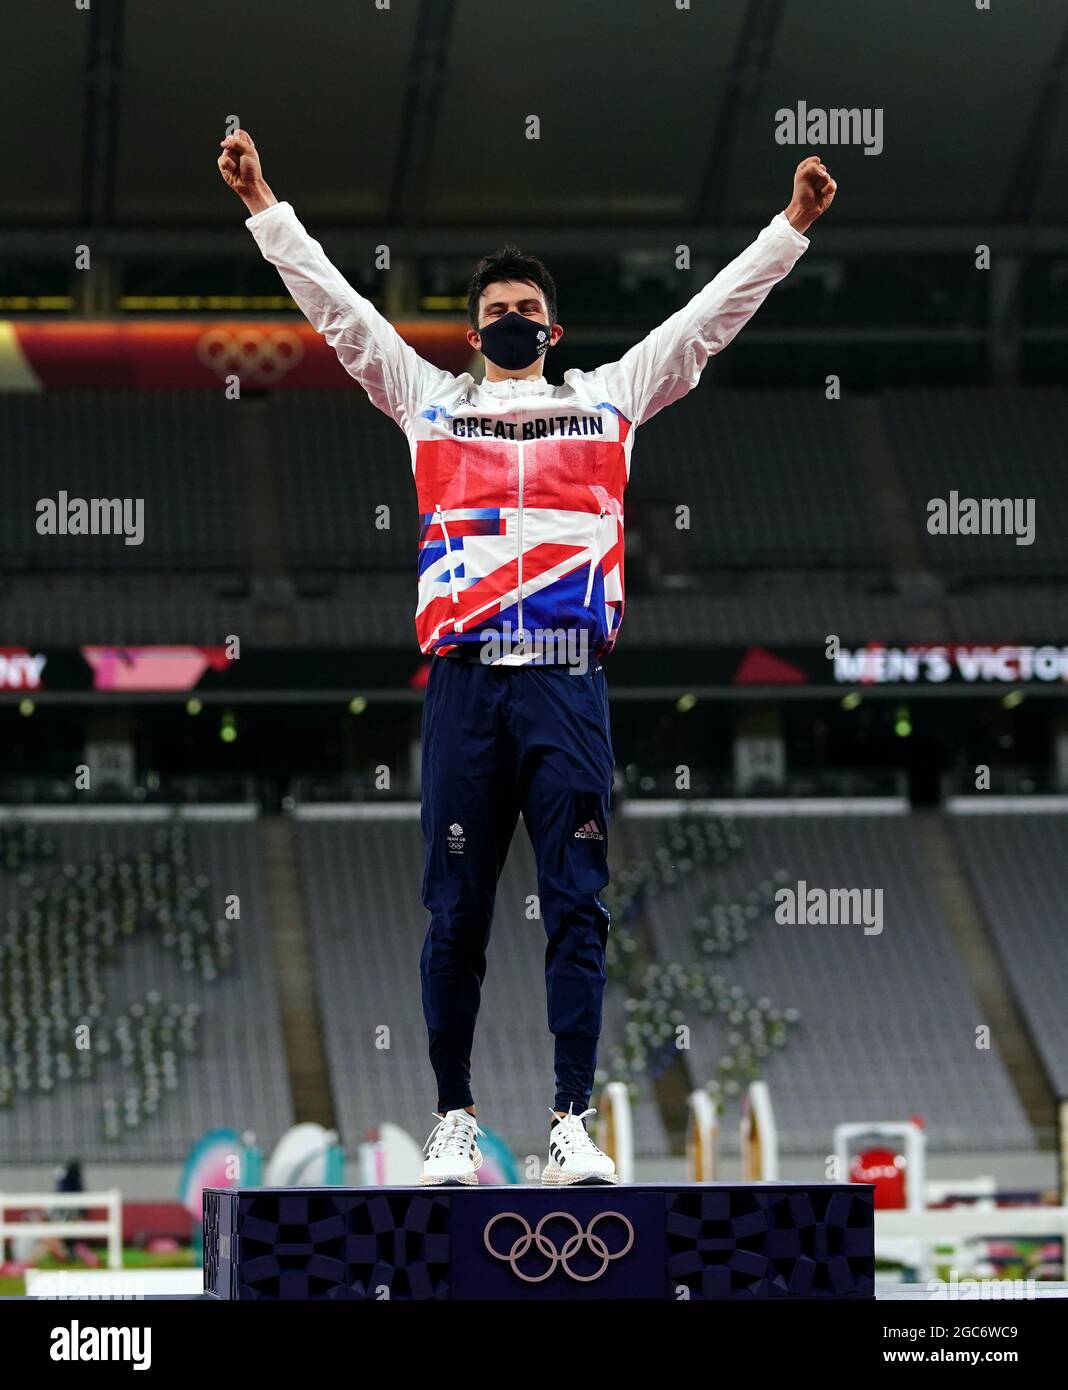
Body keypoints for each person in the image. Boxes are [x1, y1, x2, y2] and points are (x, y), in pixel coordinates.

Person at [219, 131, 835, 1186]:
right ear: (471, 332)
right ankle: (453, 1118)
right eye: (493, 311)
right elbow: (337, 314)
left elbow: (705, 324)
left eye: (525, 309)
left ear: (554, 327)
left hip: (567, 682)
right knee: (454, 908)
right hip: (464, 685)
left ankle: (568, 1121)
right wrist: (264, 202)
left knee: (579, 900)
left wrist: (791, 228)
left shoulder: (608, 402)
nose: (510, 321)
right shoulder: (428, 403)